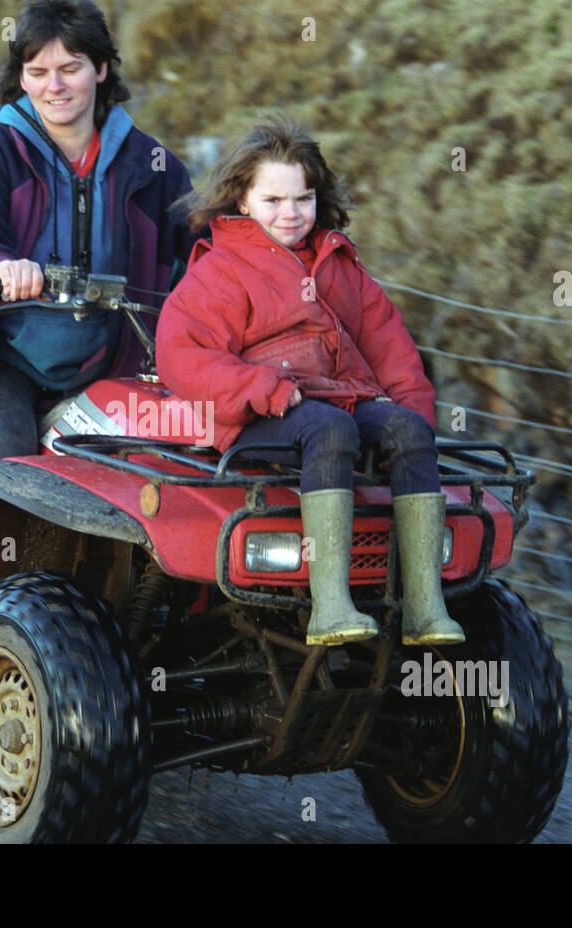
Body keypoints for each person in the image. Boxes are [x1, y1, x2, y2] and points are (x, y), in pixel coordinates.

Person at [156, 117, 464, 647]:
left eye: (302, 199)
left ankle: (424, 607)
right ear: (243, 201)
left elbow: (388, 342)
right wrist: (265, 389)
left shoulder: (336, 261)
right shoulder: (221, 269)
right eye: (273, 201)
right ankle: (330, 605)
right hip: (258, 414)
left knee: (410, 433)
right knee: (329, 431)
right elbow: (183, 356)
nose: (291, 214)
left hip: (343, 396)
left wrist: (413, 409)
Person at [0, 0, 195, 461]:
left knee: (167, 453)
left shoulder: (150, 164)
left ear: (101, 69)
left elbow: (201, 248)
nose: (54, 86)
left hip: (114, 363)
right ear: (21, 78)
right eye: (37, 71)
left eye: (70, 68)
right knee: (7, 447)